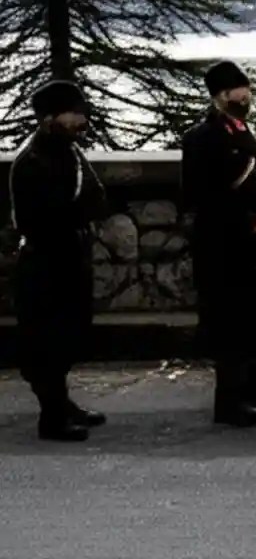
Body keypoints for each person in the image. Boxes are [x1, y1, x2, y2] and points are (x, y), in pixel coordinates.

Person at [180, 61, 256, 428]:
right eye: (238, 91)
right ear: (220, 96)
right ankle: (228, 401)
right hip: (224, 244)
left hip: (252, 244)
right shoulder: (202, 138)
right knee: (230, 323)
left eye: (246, 89)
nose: (246, 96)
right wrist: (247, 220)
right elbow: (203, 195)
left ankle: (254, 385)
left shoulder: (239, 129)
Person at [8, 80, 108, 441]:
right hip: (44, 262)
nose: (81, 120)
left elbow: (96, 198)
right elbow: (46, 218)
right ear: (50, 118)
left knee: (68, 338)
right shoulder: (32, 161)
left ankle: (62, 405)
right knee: (45, 343)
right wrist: (75, 215)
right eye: (74, 113)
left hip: (68, 256)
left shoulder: (69, 152)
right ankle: (51, 418)